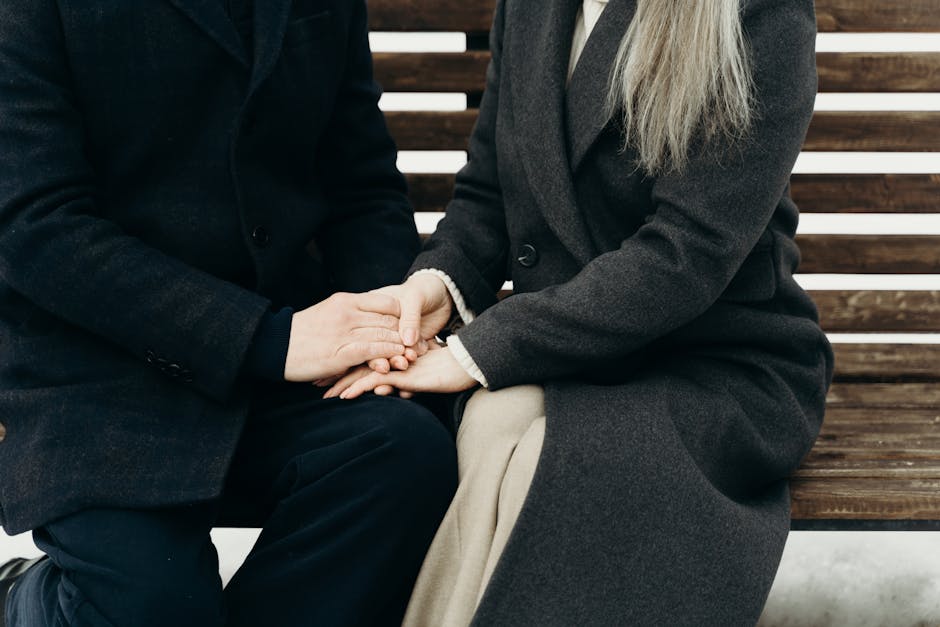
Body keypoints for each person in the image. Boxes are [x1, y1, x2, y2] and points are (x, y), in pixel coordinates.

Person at [327, 0, 834, 623]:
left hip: (718, 361)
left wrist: (476, 351)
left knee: (540, 456)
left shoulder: (759, 12)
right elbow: (489, 192)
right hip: (575, 356)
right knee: (491, 422)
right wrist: (437, 286)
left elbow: (687, 255)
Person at [0, 1, 457, 625]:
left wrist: (385, 337)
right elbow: (35, 227)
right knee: (155, 607)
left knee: (408, 457)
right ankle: (24, 602)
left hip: (288, 374)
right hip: (100, 376)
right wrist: (268, 339)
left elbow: (359, 182)